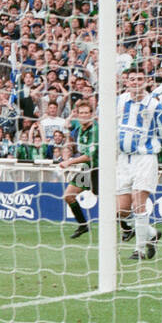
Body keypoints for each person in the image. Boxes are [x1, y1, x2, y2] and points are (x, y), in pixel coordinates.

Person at [117, 64, 162, 260]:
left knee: (139, 202)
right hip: (123, 160)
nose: (136, 83)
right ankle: (151, 234)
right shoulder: (119, 101)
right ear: (126, 82)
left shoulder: (154, 106)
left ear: (146, 82)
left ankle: (139, 250)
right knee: (120, 211)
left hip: (145, 158)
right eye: (132, 79)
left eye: (140, 79)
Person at [60, 100, 97, 240]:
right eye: (81, 113)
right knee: (68, 196)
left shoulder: (95, 130)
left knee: (113, 206)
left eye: (86, 113)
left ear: (91, 114)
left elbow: (89, 156)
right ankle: (83, 225)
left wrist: (69, 161)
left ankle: (127, 227)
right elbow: (67, 127)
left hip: (100, 169)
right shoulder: (80, 128)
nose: (83, 115)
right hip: (88, 168)